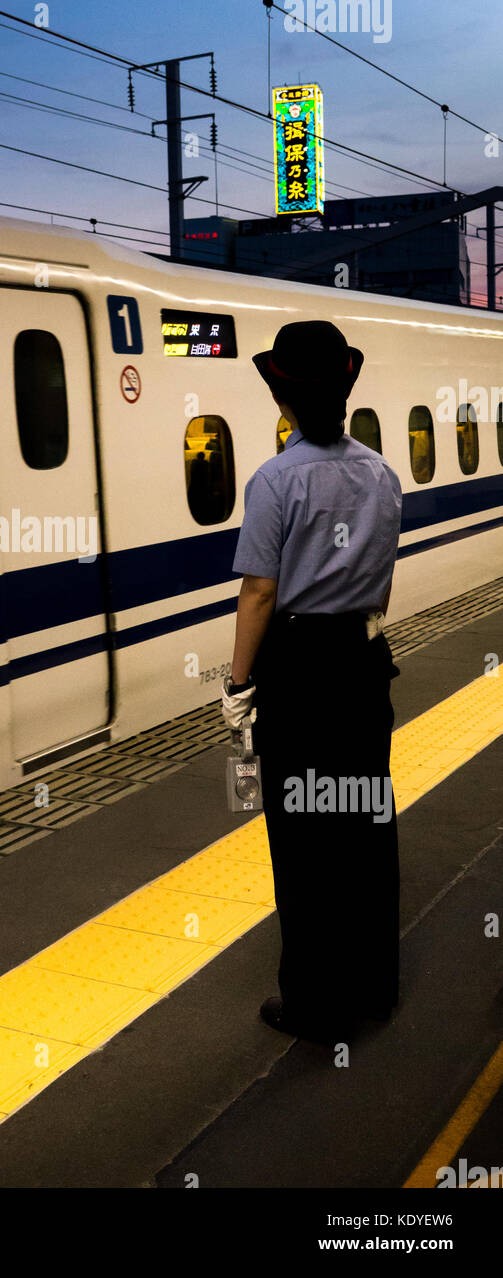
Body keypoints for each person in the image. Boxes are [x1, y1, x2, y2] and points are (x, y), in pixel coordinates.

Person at [221, 320, 403, 1043]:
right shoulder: (381, 474)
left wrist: (237, 685)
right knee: (364, 830)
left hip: (297, 677)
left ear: (281, 397)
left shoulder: (274, 479)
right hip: (360, 669)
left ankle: (313, 1002)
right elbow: (381, 584)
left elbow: (258, 594)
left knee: (303, 840)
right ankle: (372, 989)